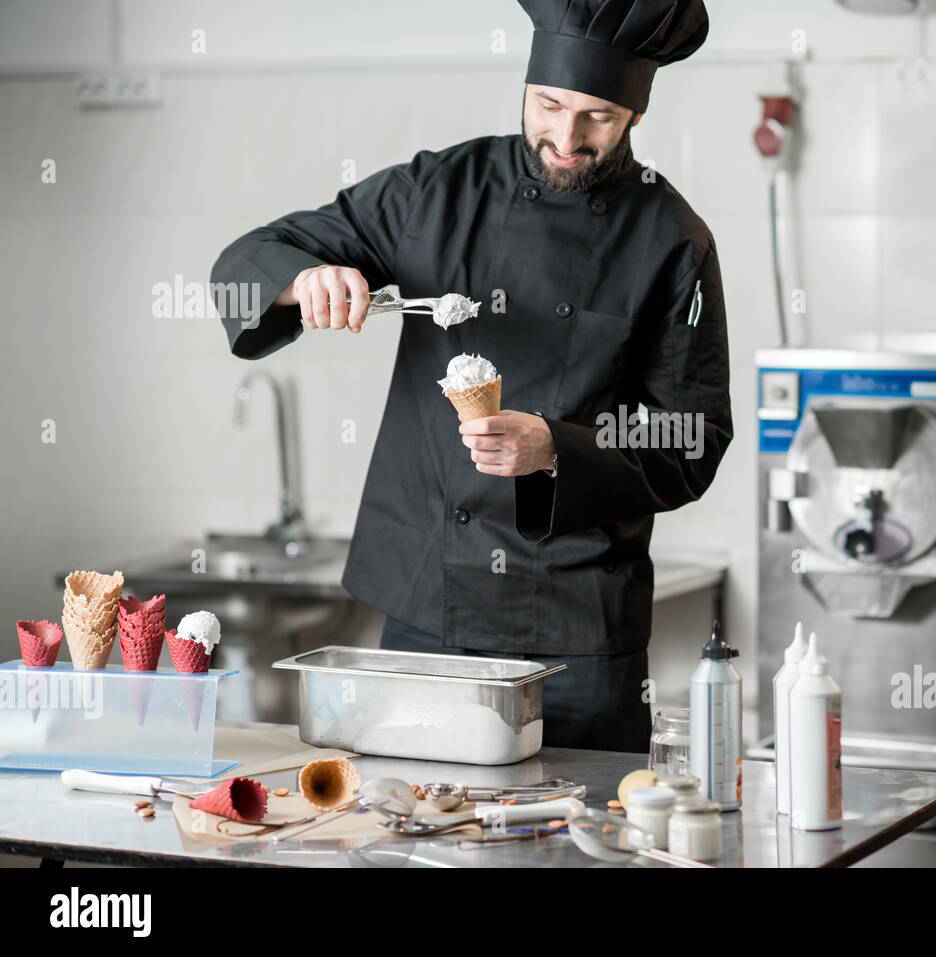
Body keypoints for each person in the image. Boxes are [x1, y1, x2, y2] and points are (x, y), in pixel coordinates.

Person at [209, 0, 730, 753]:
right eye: (549, 105)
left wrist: (556, 448)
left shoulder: (672, 241)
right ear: (526, 84)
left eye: (599, 118)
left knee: (574, 842)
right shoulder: (437, 194)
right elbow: (244, 262)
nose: (566, 137)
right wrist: (304, 279)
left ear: (636, 113)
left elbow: (694, 438)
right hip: (431, 608)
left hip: (579, 633)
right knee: (416, 830)